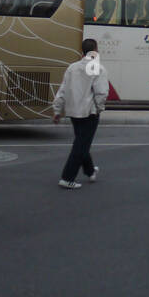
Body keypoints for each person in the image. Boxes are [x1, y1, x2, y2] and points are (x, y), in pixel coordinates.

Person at [53, 38, 109, 188]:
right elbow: (101, 93)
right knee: (81, 145)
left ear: (82, 51)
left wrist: (57, 110)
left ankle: (90, 171)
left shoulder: (72, 67)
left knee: (81, 141)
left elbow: (62, 90)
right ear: (95, 50)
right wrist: (99, 108)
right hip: (89, 112)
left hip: (73, 111)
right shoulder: (98, 68)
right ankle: (67, 178)